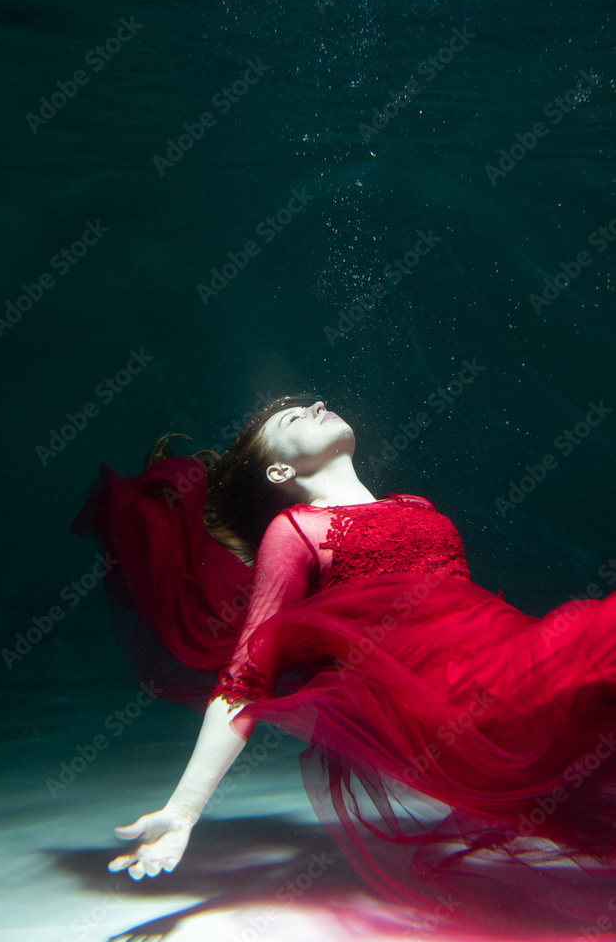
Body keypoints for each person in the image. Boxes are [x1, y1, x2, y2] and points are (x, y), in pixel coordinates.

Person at [71, 393, 616, 936]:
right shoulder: (296, 530)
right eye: (292, 417)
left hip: (514, 660)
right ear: (280, 469)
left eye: (311, 403)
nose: (316, 405)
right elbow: (245, 679)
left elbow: (463, 615)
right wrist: (184, 810)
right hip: (456, 703)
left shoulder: (418, 508)